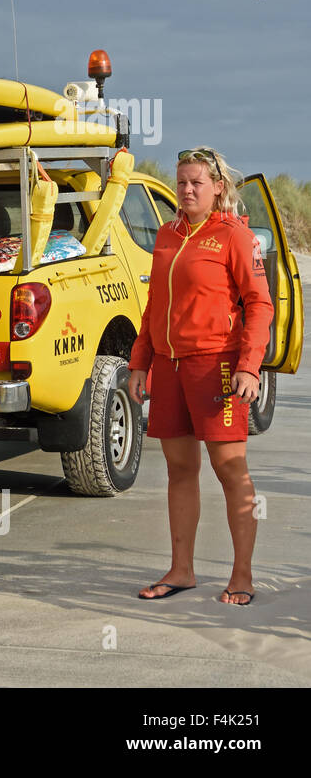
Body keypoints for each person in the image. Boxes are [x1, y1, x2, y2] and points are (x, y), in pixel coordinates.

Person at [128, 147, 272, 606]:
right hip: (169, 367)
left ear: (217, 188)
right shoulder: (168, 235)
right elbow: (154, 307)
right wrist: (140, 362)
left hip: (218, 367)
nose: (187, 190)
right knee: (179, 470)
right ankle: (182, 570)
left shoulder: (234, 236)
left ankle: (242, 575)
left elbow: (260, 305)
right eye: (182, 181)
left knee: (230, 470)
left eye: (196, 183)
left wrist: (250, 366)